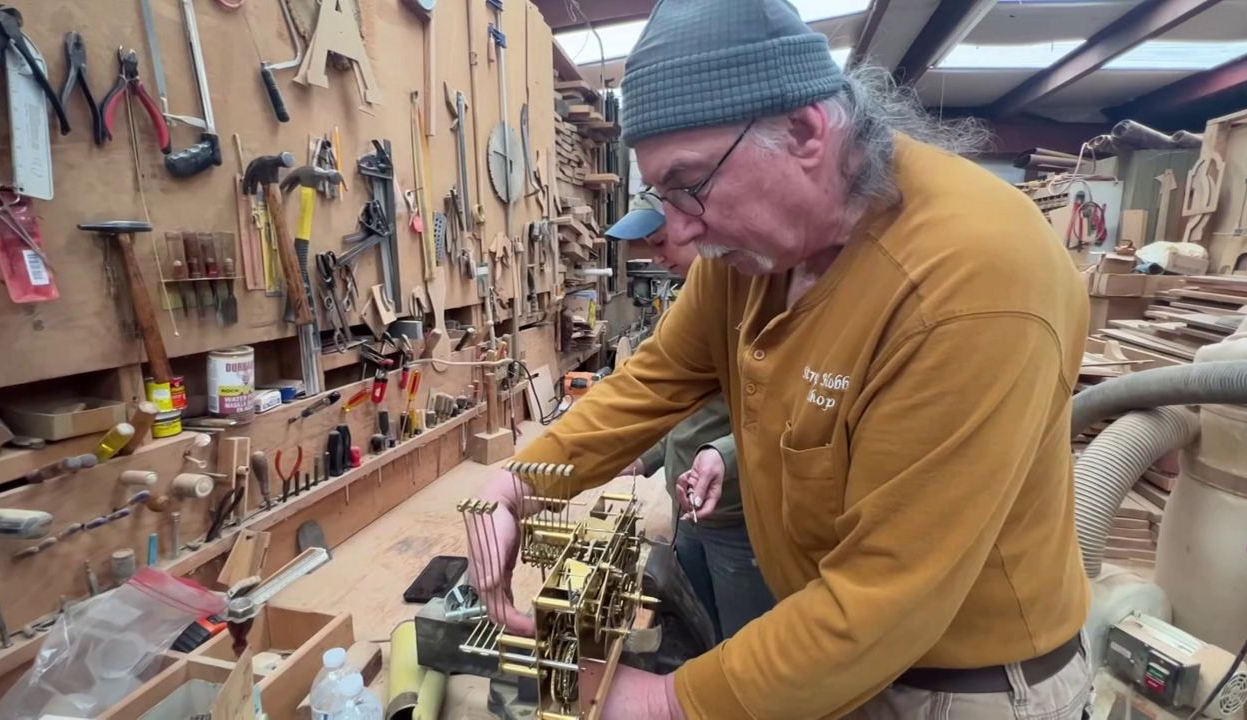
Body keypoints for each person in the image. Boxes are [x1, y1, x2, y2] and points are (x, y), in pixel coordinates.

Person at [468, 0, 1093, 718]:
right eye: (662, 194)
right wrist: (522, 482)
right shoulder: (748, 256)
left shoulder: (973, 280)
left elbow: (889, 594)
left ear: (802, 130)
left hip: (957, 687)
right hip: (829, 646)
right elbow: (654, 380)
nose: (679, 228)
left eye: (691, 184)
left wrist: (668, 703)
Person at [607, 193, 776, 642]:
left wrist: (721, 455)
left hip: (736, 518)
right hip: (688, 514)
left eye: (662, 241)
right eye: (650, 247)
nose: (659, 257)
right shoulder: (694, 305)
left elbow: (784, 419)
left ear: (695, 227)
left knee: (744, 644)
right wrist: (644, 458)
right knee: (701, 632)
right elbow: (686, 416)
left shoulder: (753, 310)